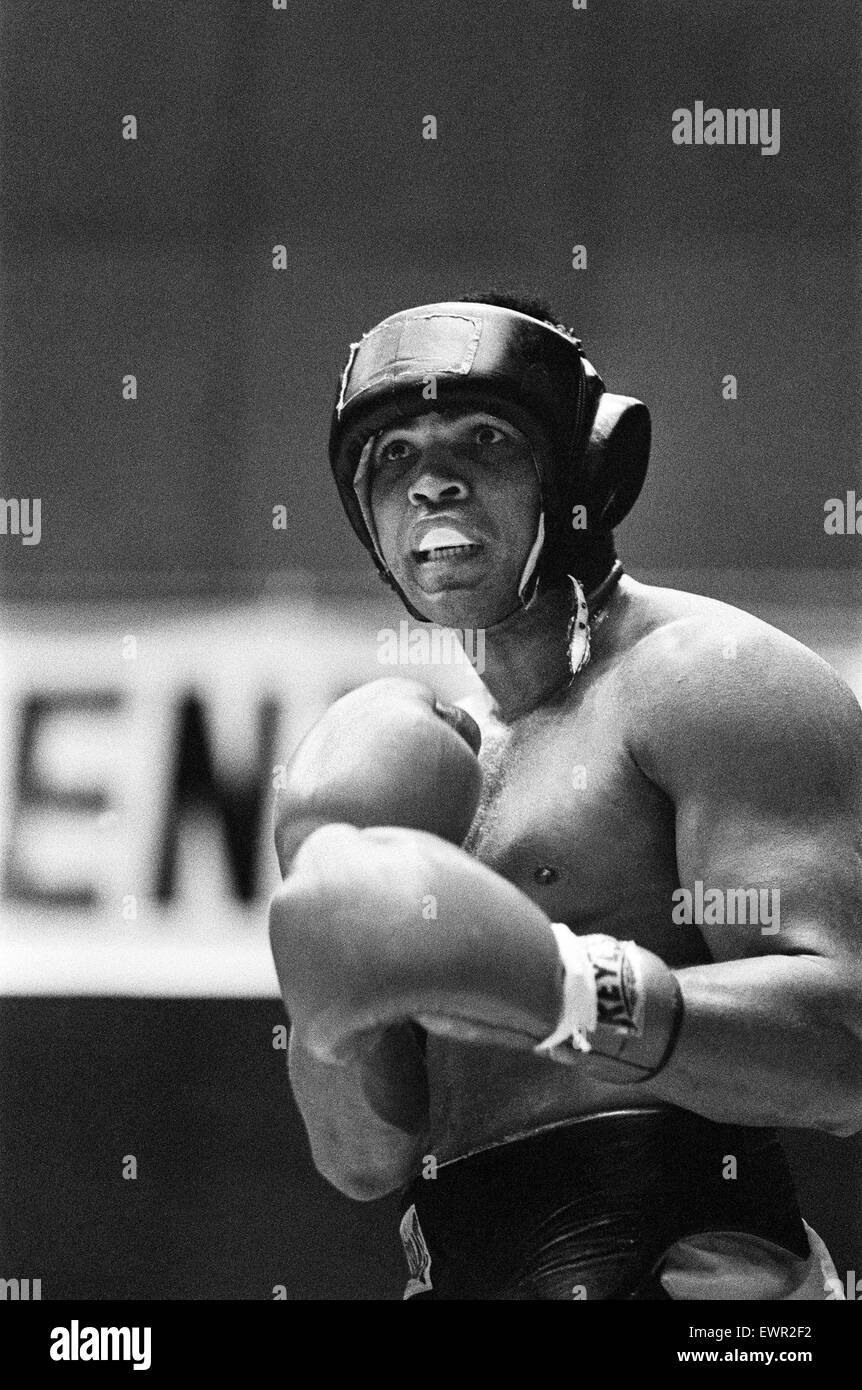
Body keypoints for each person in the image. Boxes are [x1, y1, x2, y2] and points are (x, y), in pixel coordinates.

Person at [269, 293, 862, 1299]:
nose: (433, 482)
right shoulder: (409, 760)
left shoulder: (707, 678)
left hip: (699, 1275)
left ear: (583, 466)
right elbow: (361, 1160)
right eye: (393, 455)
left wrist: (562, 989)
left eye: (483, 438)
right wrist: (334, 993)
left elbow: (842, 1052)